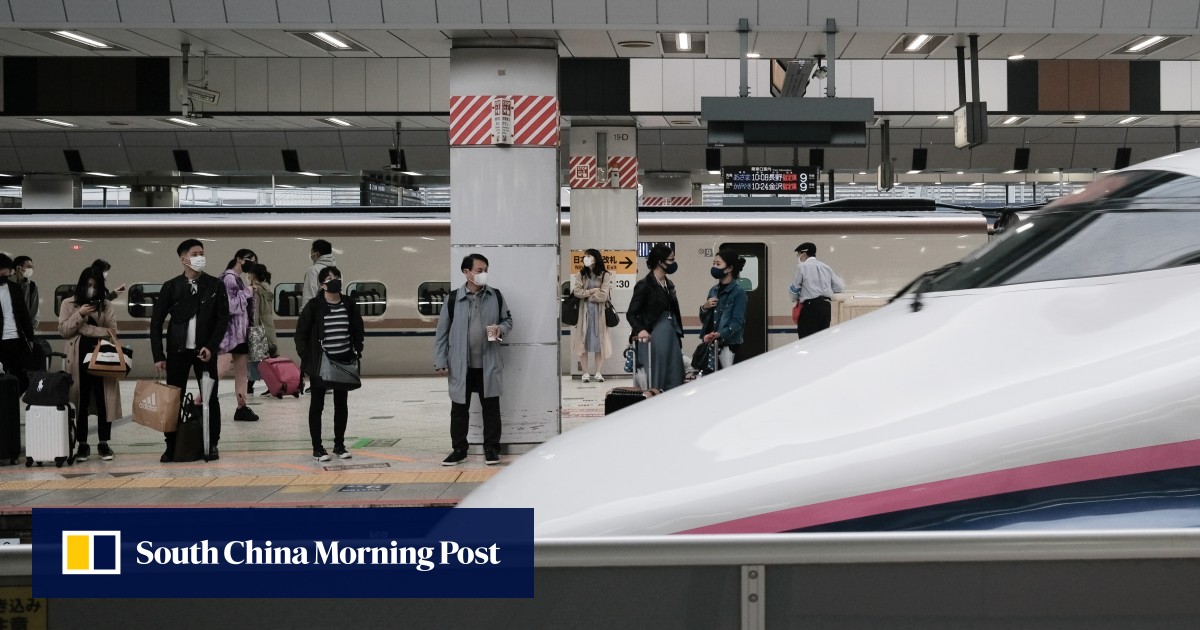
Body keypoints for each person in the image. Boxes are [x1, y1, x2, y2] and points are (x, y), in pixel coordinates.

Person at [150, 239, 230, 462]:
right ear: (183, 258)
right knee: (172, 399)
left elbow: (222, 319)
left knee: (211, 398)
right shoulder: (171, 287)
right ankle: (171, 445)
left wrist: (211, 347)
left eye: (202, 252)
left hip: (205, 352)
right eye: (195, 253)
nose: (200, 257)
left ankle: (212, 443)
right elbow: (156, 323)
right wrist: (159, 355)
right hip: (177, 353)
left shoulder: (215, 285)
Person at [433, 253, 512, 466]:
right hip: (461, 366)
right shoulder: (452, 299)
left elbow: (508, 320)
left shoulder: (495, 296)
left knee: (491, 409)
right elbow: (442, 332)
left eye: (485, 270)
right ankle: (459, 449)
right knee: (459, 409)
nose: (483, 274)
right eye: (479, 270)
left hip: (488, 364)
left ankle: (492, 449)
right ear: (466, 272)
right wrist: (440, 360)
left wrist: (500, 329)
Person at [295, 266, 364, 462]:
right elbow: (301, 334)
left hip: (343, 360)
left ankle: (339, 445)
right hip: (321, 363)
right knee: (317, 405)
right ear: (322, 284)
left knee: (341, 404)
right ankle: (317, 448)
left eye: (337, 277)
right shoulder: (314, 306)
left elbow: (358, 328)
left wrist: (358, 349)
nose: (335, 281)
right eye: (330, 278)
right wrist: (307, 359)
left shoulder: (349, 304)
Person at [58, 266, 122, 462]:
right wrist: (80, 315)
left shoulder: (106, 305)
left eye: (95, 286)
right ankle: (82, 444)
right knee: (81, 402)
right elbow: (64, 330)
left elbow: (111, 332)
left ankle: (104, 443)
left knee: (104, 402)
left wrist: (85, 329)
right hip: (78, 360)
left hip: (103, 359)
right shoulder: (69, 303)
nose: (91, 289)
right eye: (88, 285)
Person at [626, 244, 684, 391]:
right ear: (660, 261)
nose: (673, 263)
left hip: (671, 336)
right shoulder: (645, 285)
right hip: (653, 336)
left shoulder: (669, 284)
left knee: (674, 372)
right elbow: (631, 313)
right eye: (671, 260)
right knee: (656, 374)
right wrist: (640, 330)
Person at [218, 249, 259, 421]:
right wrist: (248, 292)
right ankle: (200, 401)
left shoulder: (238, 279)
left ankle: (242, 406)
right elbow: (230, 306)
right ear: (239, 259)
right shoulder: (228, 278)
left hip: (240, 333)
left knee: (242, 372)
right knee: (221, 369)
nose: (251, 264)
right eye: (249, 260)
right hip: (228, 334)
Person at [700, 249, 748, 369]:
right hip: (710, 344)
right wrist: (704, 308)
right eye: (713, 263)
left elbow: (737, 323)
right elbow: (704, 320)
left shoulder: (739, 292)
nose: (714, 267)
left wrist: (719, 334)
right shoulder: (713, 290)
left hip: (729, 346)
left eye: (718, 264)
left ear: (729, 268)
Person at [571, 248, 613, 383]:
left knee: (599, 344)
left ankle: (598, 372)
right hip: (584, 314)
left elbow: (604, 295)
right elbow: (577, 292)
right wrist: (592, 291)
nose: (586, 258)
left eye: (588, 256)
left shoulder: (605, 274)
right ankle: (585, 373)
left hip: (599, 314)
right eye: (585, 256)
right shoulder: (581, 274)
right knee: (583, 343)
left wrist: (588, 294)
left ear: (596, 258)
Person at [789, 242, 844, 340]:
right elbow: (839, 288)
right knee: (822, 340)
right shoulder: (826, 267)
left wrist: (794, 298)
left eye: (799, 254)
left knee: (807, 340)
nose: (798, 256)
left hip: (810, 308)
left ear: (804, 254)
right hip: (826, 308)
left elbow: (795, 289)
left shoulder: (801, 267)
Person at [0, 254, 36, 393]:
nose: (6, 276)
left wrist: (30, 337)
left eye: (7, 273)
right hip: (1, 339)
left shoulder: (14, 288)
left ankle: (17, 405)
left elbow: (23, 315)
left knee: (20, 377)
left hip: (16, 338)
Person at [246, 263, 279, 396]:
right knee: (266, 358)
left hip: (259, 328)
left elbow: (255, 312)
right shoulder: (266, 289)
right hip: (268, 326)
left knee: (256, 358)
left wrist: (252, 328)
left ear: (253, 275)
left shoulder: (255, 290)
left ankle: (275, 384)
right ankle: (275, 383)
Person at [302, 239, 336, 303]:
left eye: (311, 252)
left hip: (319, 311)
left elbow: (309, 296)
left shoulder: (313, 270)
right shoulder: (337, 271)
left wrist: (304, 311)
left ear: (317, 254)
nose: (311, 255)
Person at [12, 256, 37, 330]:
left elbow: (34, 310)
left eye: (32, 267)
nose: (31, 269)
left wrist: (31, 329)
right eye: (29, 267)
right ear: (18, 268)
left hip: (24, 330)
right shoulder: (7, 284)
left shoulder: (32, 286)